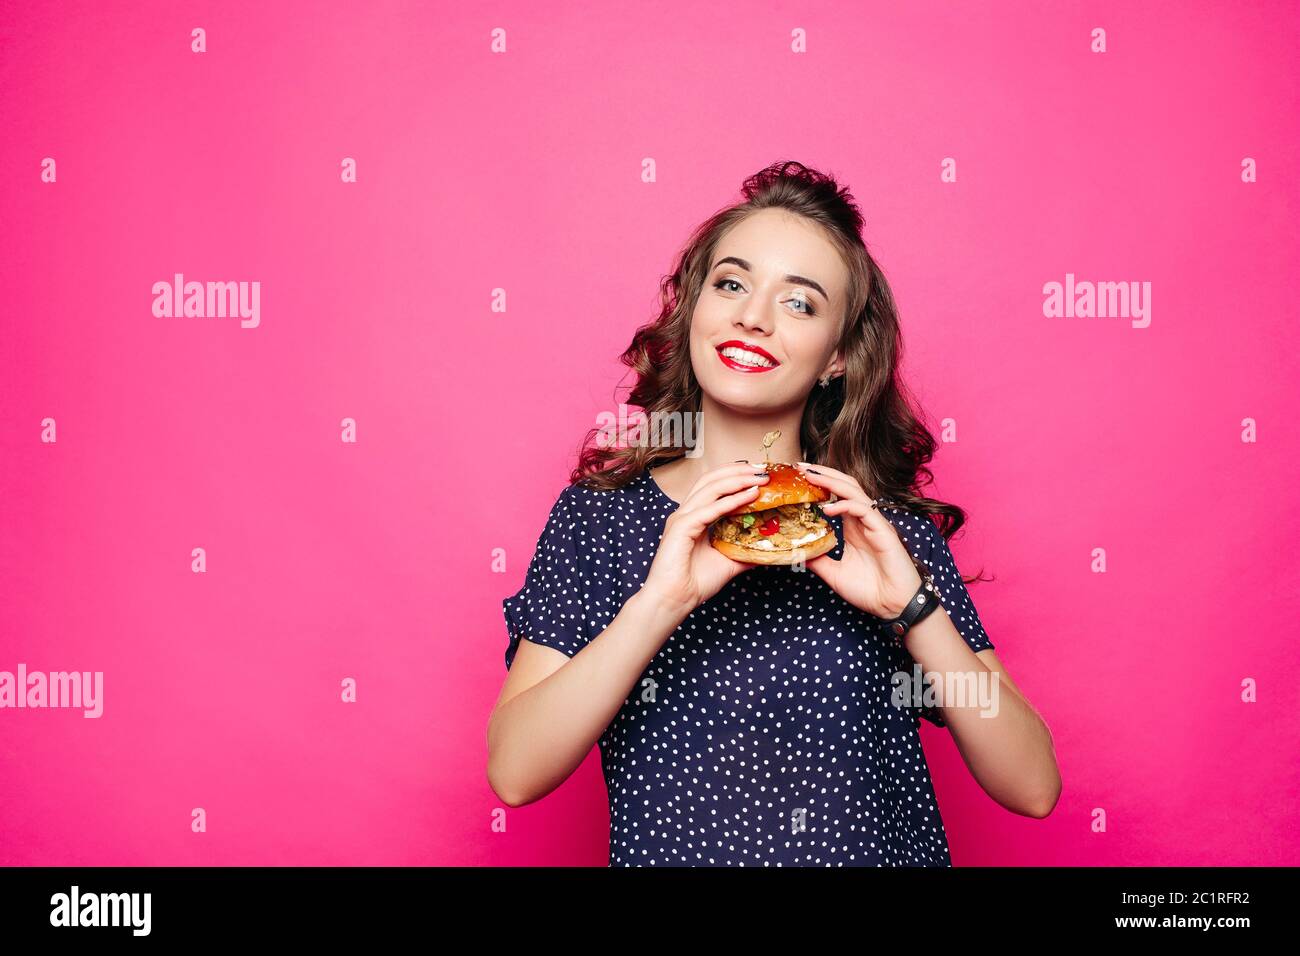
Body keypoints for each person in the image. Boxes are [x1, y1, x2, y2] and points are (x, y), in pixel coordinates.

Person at [486, 160, 1061, 866]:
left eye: (800, 303)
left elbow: (1032, 785)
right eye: (731, 284)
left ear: (839, 357)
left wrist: (911, 610)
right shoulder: (600, 521)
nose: (752, 317)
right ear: (694, 309)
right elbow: (515, 772)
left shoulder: (882, 534)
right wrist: (662, 602)